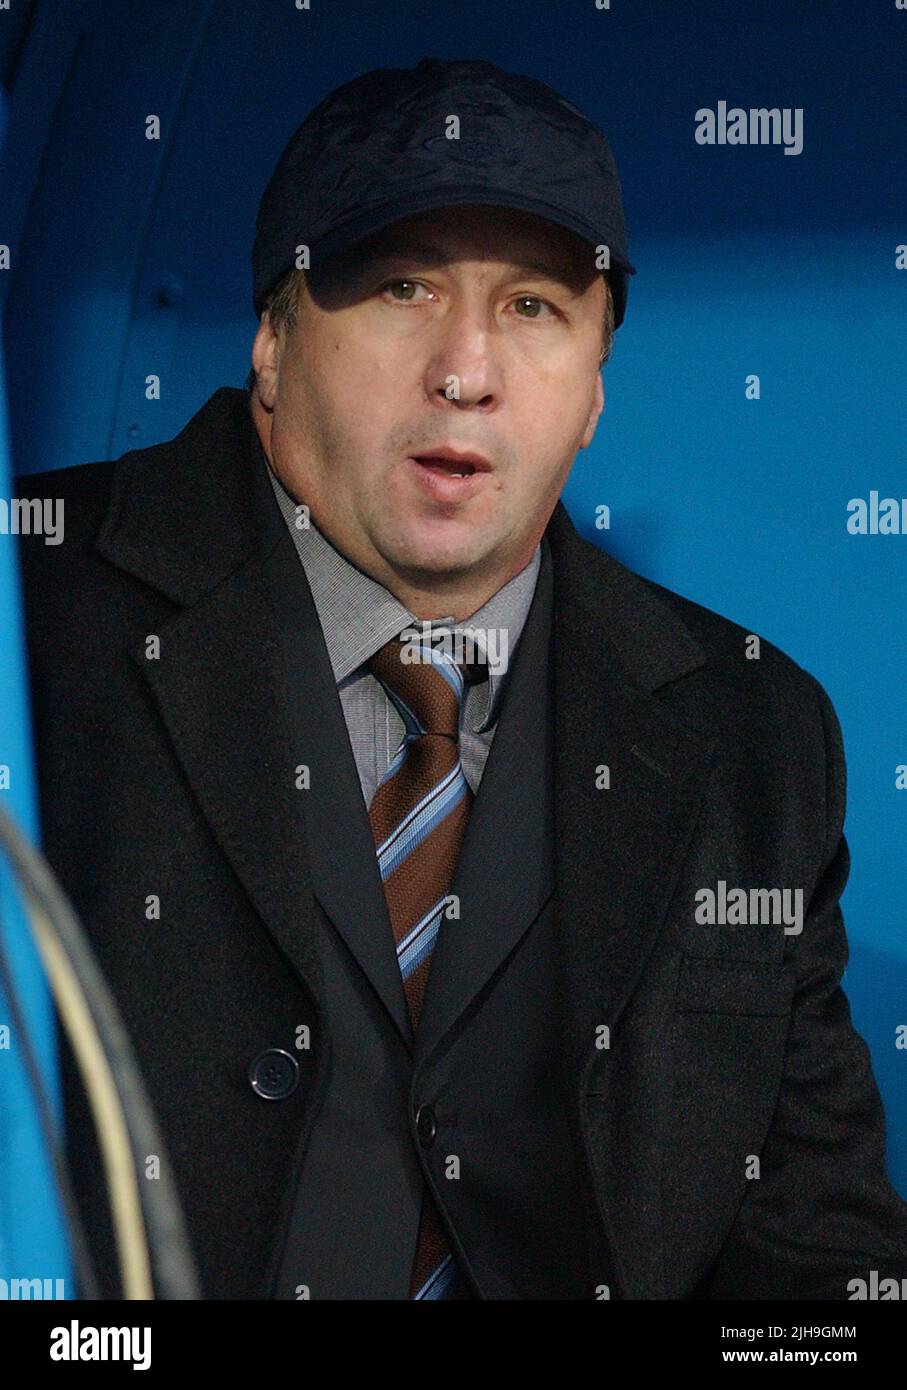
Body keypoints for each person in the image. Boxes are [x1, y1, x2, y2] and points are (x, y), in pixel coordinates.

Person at [15, 57, 907, 1300]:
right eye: (402, 287)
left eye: (536, 306)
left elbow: (815, 1259)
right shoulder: (30, 607)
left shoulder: (751, 725)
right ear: (273, 340)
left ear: (595, 384)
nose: (466, 369)